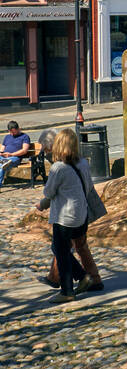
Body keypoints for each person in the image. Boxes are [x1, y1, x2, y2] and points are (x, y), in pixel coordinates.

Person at [35, 127, 102, 301]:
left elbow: (49, 192)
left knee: (61, 251)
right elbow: (88, 187)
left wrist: (41, 205)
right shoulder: (83, 163)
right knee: (72, 247)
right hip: (82, 216)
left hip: (65, 217)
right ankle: (87, 278)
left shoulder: (58, 168)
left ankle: (67, 291)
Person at [0, 120, 33, 187]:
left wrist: (11, 154)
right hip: (4, 157)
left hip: (15, 157)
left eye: (14, 132)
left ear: (18, 129)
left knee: (2, 166)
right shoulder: (7, 137)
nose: (12, 134)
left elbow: (24, 150)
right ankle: (4, 161)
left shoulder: (25, 137)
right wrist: (1, 153)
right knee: (2, 163)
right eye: (10, 132)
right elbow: (2, 149)